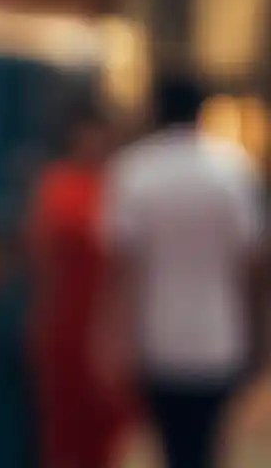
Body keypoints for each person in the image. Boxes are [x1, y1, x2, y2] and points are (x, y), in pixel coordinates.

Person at [104, 76, 264, 468]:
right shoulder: (232, 169)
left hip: (157, 335)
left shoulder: (134, 170)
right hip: (220, 335)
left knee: (170, 444)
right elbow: (254, 266)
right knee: (207, 444)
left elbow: (125, 269)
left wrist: (113, 336)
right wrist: (260, 336)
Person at [29, 107, 133, 468]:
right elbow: (40, 256)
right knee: (62, 421)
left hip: (106, 314)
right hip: (65, 315)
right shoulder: (59, 184)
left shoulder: (120, 185)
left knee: (106, 423)